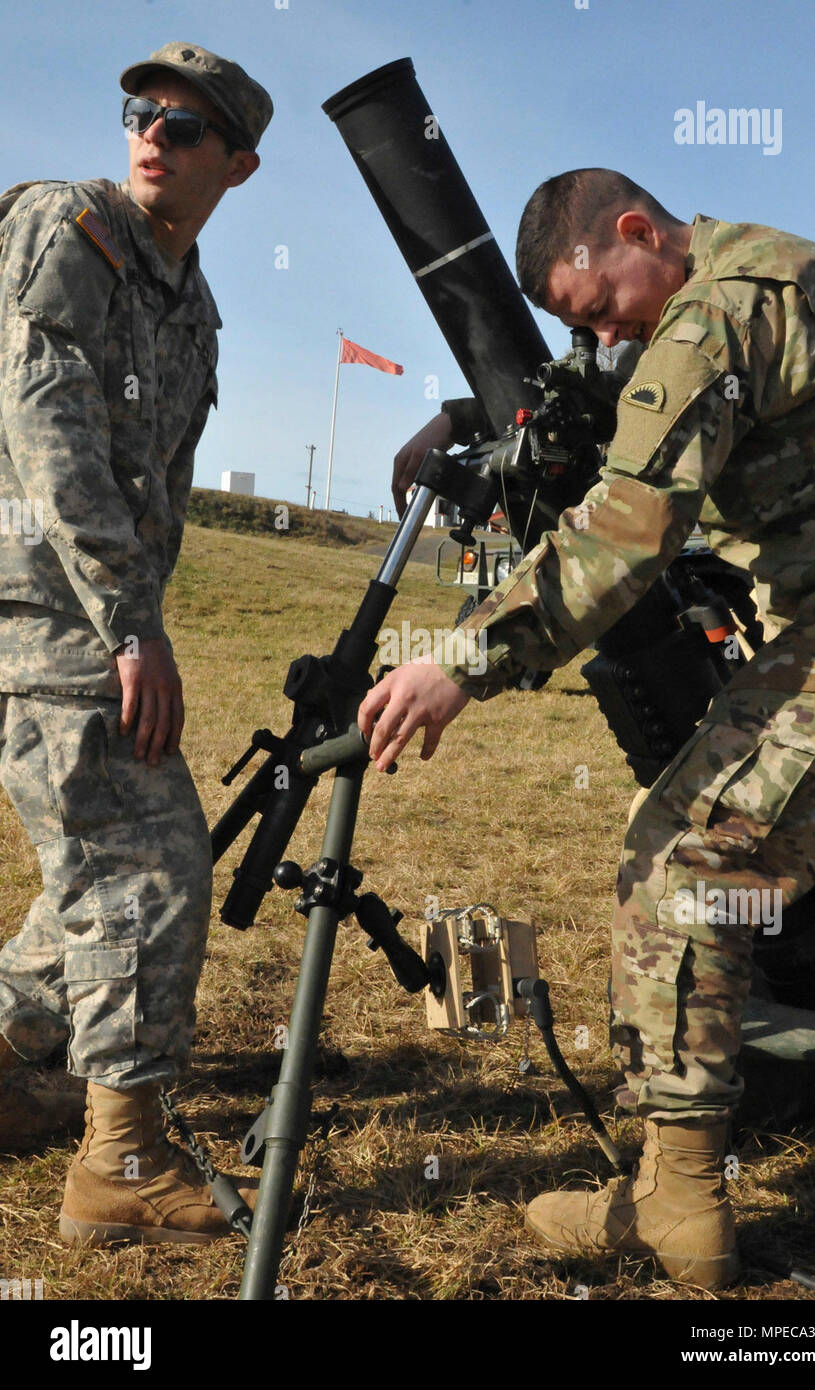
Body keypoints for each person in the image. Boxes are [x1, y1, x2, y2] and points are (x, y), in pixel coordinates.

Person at [359, 167, 815, 1289]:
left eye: (597, 309)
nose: (606, 336)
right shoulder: (769, 270)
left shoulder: (707, 315)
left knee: (683, 860)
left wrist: (458, 662)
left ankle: (674, 1203)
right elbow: (605, 390)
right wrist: (464, 411)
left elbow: (622, 538)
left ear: (635, 232)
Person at [0, 42, 271, 1245]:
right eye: (140, 111)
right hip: (43, 604)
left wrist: (134, 616)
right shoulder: (75, 228)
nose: (153, 131)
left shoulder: (191, 299)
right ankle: (120, 1166)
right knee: (148, 863)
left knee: (87, 867)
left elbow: (157, 477)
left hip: (87, 612)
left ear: (240, 165)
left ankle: (13, 1060)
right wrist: (128, 624)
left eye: (187, 124)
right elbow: (45, 423)